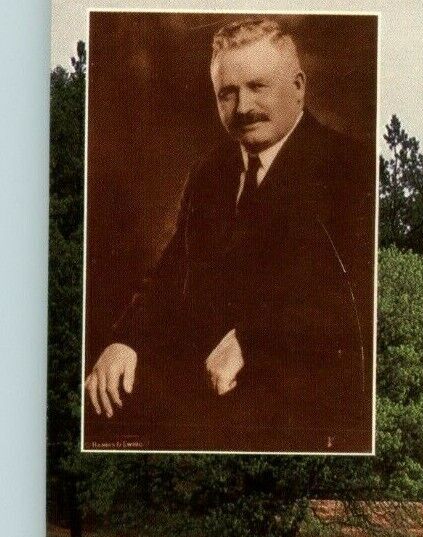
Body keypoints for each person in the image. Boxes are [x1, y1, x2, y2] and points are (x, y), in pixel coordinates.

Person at [84, 17, 374, 453]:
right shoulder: (209, 174)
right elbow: (170, 275)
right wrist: (126, 339)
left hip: (306, 416)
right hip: (209, 412)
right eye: (228, 93)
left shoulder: (350, 168)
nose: (243, 108)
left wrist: (252, 341)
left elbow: (354, 303)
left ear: (298, 86)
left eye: (258, 87)